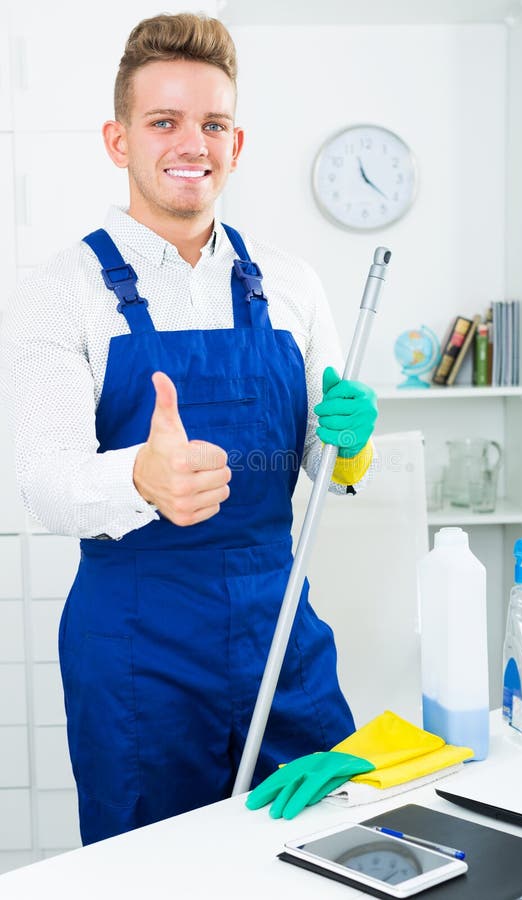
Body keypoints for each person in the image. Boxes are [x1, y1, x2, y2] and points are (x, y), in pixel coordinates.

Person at [0, 12, 378, 845]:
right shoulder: (59, 294)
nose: (191, 144)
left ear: (235, 145)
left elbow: (329, 469)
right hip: (139, 650)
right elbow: (44, 482)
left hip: (283, 634)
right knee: (154, 875)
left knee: (337, 848)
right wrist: (138, 476)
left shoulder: (292, 283)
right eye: (163, 121)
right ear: (118, 137)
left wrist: (350, 446)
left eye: (213, 124)